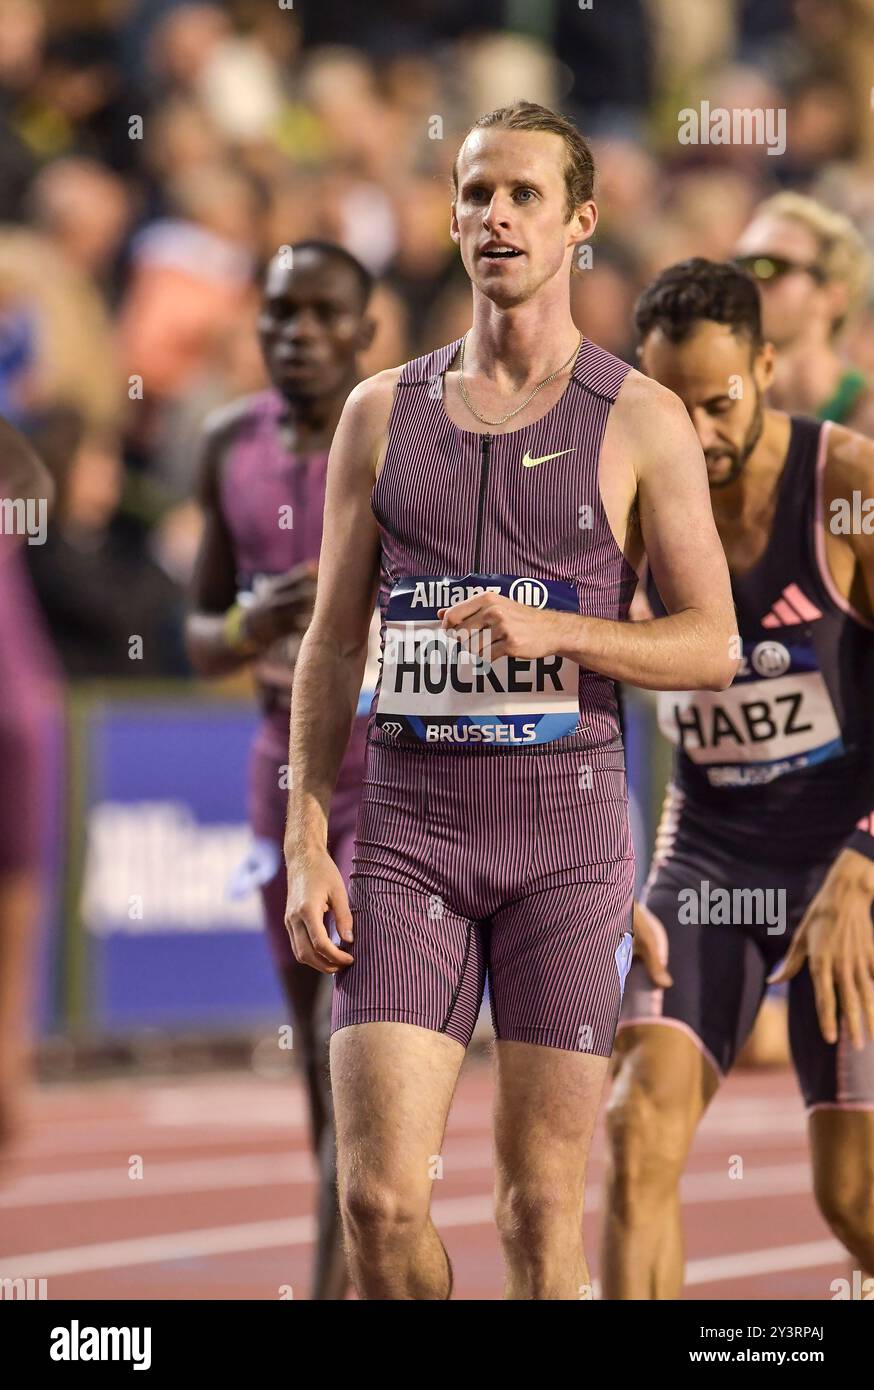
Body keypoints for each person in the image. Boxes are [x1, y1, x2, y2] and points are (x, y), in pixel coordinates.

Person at [284, 102, 738, 1301]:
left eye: (525, 195)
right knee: (379, 1203)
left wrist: (562, 629)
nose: (496, 215)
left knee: (540, 1217)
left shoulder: (640, 417)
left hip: (563, 844)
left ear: (580, 223)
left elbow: (712, 645)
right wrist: (305, 833)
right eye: (477, 192)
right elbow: (333, 644)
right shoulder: (380, 412)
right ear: (449, 214)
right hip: (409, 836)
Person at [603, 258, 874, 1300]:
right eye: (671, 408)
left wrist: (861, 858)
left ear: (766, 366)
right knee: (637, 1129)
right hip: (709, 854)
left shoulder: (845, 483)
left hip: (840, 854)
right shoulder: (622, 500)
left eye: (720, 404)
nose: (700, 434)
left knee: (851, 1198)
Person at [186, 241, 377, 1300]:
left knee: (334, 1036)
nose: (294, 334)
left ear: (367, 332)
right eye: (276, 314)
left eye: (319, 315)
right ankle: (356, 1254)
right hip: (278, 762)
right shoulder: (226, 441)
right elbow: (195, 638)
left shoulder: (402, 434)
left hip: (383, 765)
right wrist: (246, 619)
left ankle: (329, 1284)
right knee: (316, 1059)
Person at [0, 415, 58, 1173]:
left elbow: (37, 488)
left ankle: (10, 1060)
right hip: (23, 708)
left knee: (17, 898)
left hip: (20, 711)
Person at [735, 192, 874, 432]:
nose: (748, 284)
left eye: (770, 268)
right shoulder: (722, 410)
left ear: (833, 296)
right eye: (738, 268)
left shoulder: (865, 415)